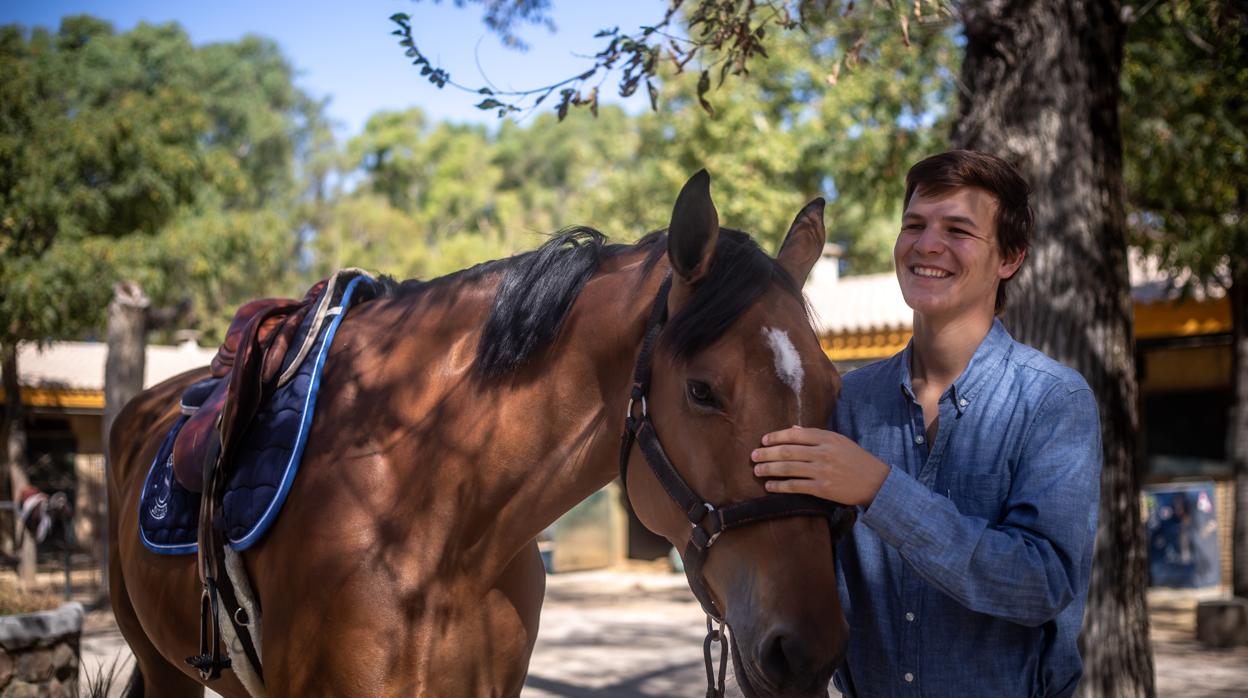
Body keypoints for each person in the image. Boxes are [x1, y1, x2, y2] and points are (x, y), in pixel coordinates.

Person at [751, 150, 1102, 697]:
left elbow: (1039, 584)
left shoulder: (1053, 400)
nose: (927, 243)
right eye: (914, 225)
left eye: (958, 230)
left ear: (1009, 258)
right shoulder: (848, 401)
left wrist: (878, 489)